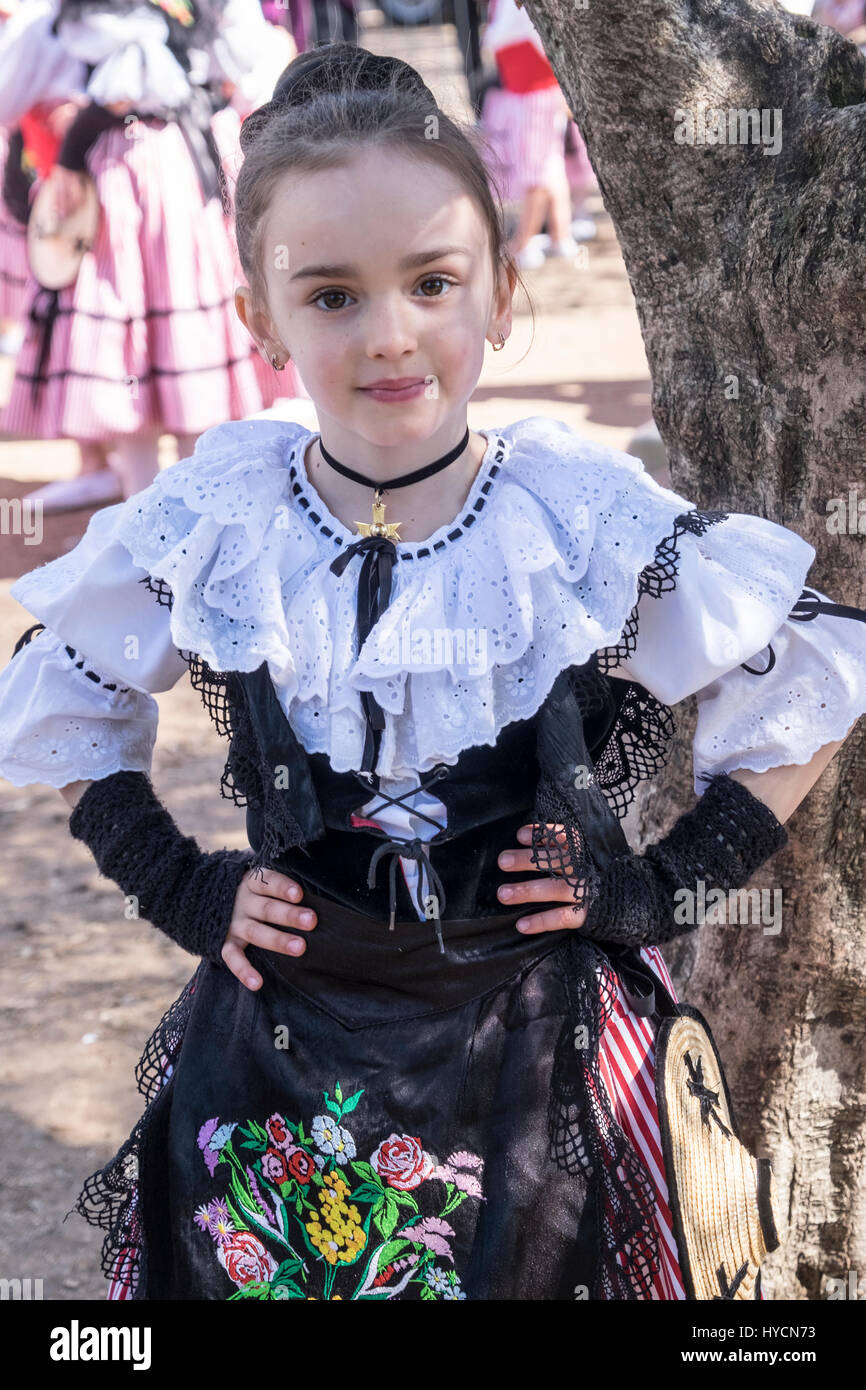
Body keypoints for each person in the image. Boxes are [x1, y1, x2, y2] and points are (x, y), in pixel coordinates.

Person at [1, 42, 865, 1302]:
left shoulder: (574, 512)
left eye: (432, 281)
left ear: (499, 293)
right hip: (279, 1060)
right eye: (333, 295)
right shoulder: (217, 513)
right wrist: (180, 885)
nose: (390, 334)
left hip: (542, 1051)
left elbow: (809, 668)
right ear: (258, 315)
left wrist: (660, 888)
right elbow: (68, 689)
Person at [0, 0, 305, 512]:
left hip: (139, 171)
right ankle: (163, 510)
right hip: (155, 171)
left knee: (153, 334)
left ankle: (168, 510)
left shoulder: (81, 20)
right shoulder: (84, 20)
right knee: (165, 335)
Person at [479, 0, 582, 269]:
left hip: (535, 91)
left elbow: (507, 36)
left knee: (536, 168)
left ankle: (524, 243)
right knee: (550, 165)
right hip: (532, 89)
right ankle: (561, 236)